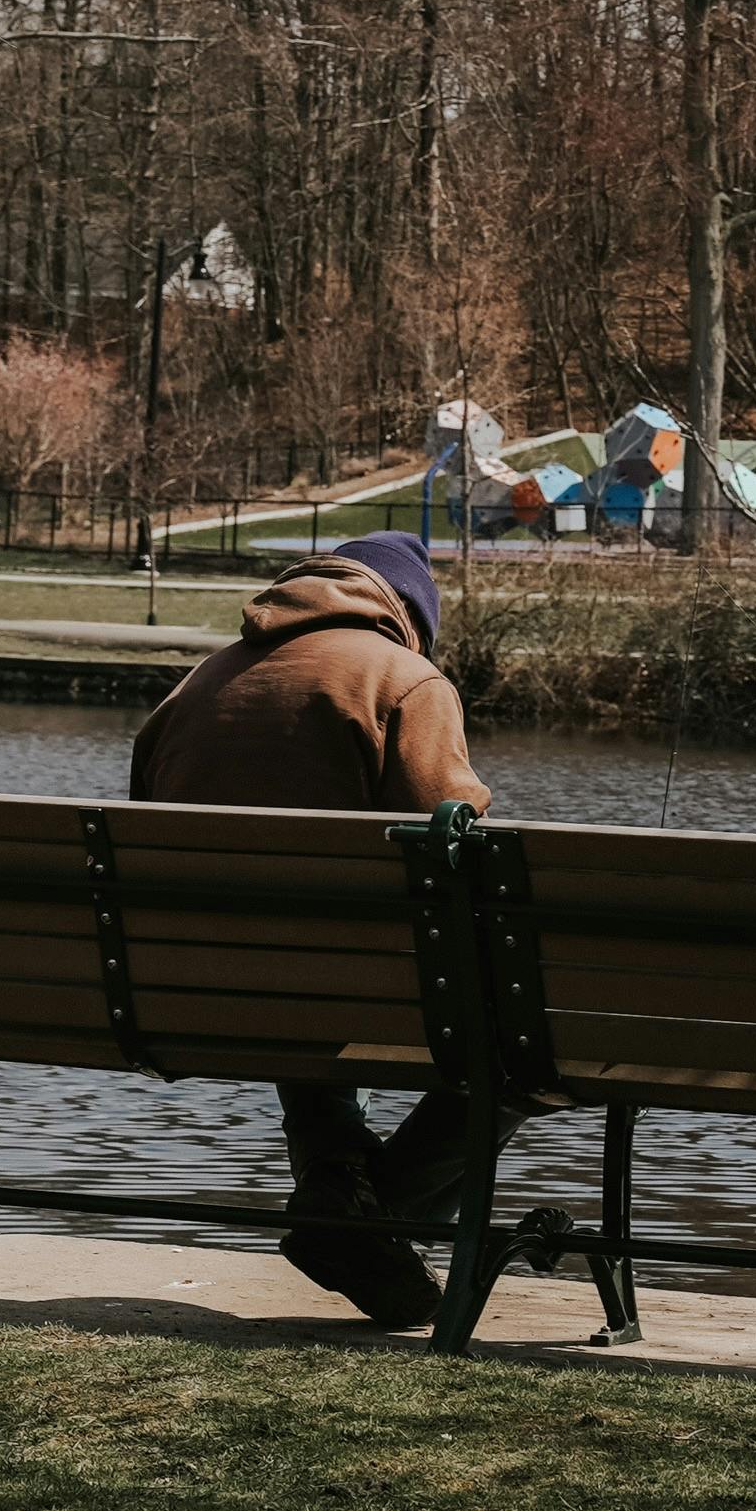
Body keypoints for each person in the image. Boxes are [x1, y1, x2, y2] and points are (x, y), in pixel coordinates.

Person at [128, 531, 510, 1331]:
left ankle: (346, 1192)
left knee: (296, 974)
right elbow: (459, 857)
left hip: (176, 991)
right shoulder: (405, 680)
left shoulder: (196, 684)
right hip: (348, 986)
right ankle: (362, 1222)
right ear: (405, 614)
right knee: (521, 1047)